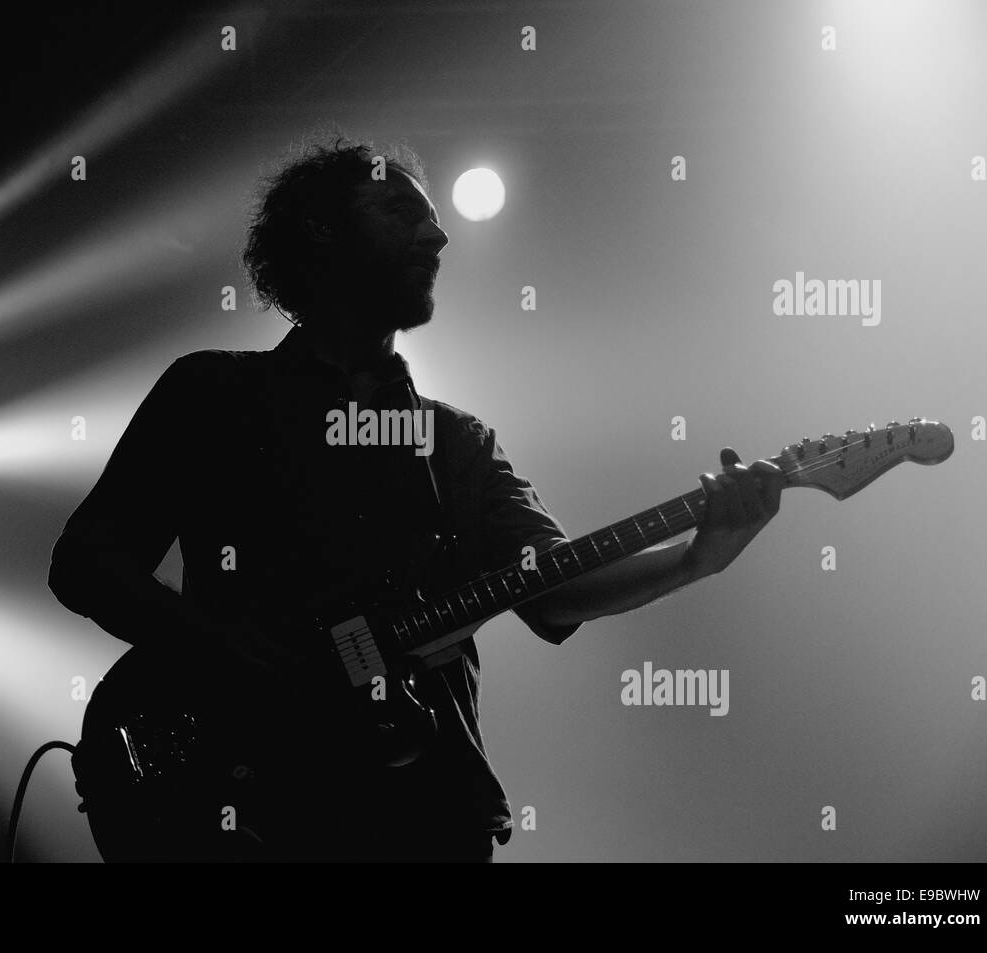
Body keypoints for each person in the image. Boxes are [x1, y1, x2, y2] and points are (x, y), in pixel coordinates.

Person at [48, 136, 783, 862]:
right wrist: (221, 646)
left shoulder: (454, 443)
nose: (437, 233)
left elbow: (551, 590)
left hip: (420, 811)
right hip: (239, 802)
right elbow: (85, 560)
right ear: (321, 231)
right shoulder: (213, 393)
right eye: (399, 212)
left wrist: (696, 559)